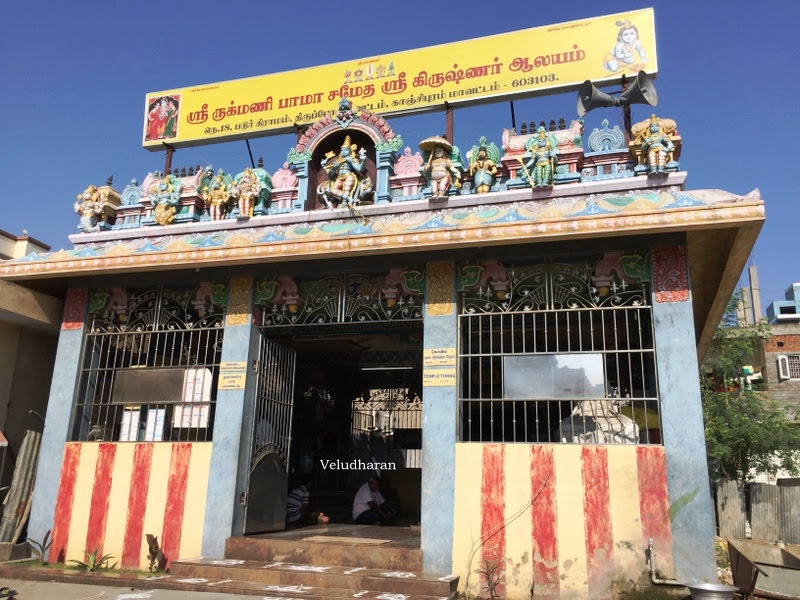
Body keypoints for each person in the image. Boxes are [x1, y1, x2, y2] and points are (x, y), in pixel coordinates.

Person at [319, 135, 366, 206]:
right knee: (332, 190)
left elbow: (359, 169)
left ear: (350, 151)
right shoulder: (338, 160)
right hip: (339, 178)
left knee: (344, 202)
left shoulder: (351, 159)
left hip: (349, 176)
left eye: (346, 150)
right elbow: (331, 175)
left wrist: (362, 161)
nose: (343, 152)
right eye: (342, 150)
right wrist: (334, 168)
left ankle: (345, 201)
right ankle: (348, 198)